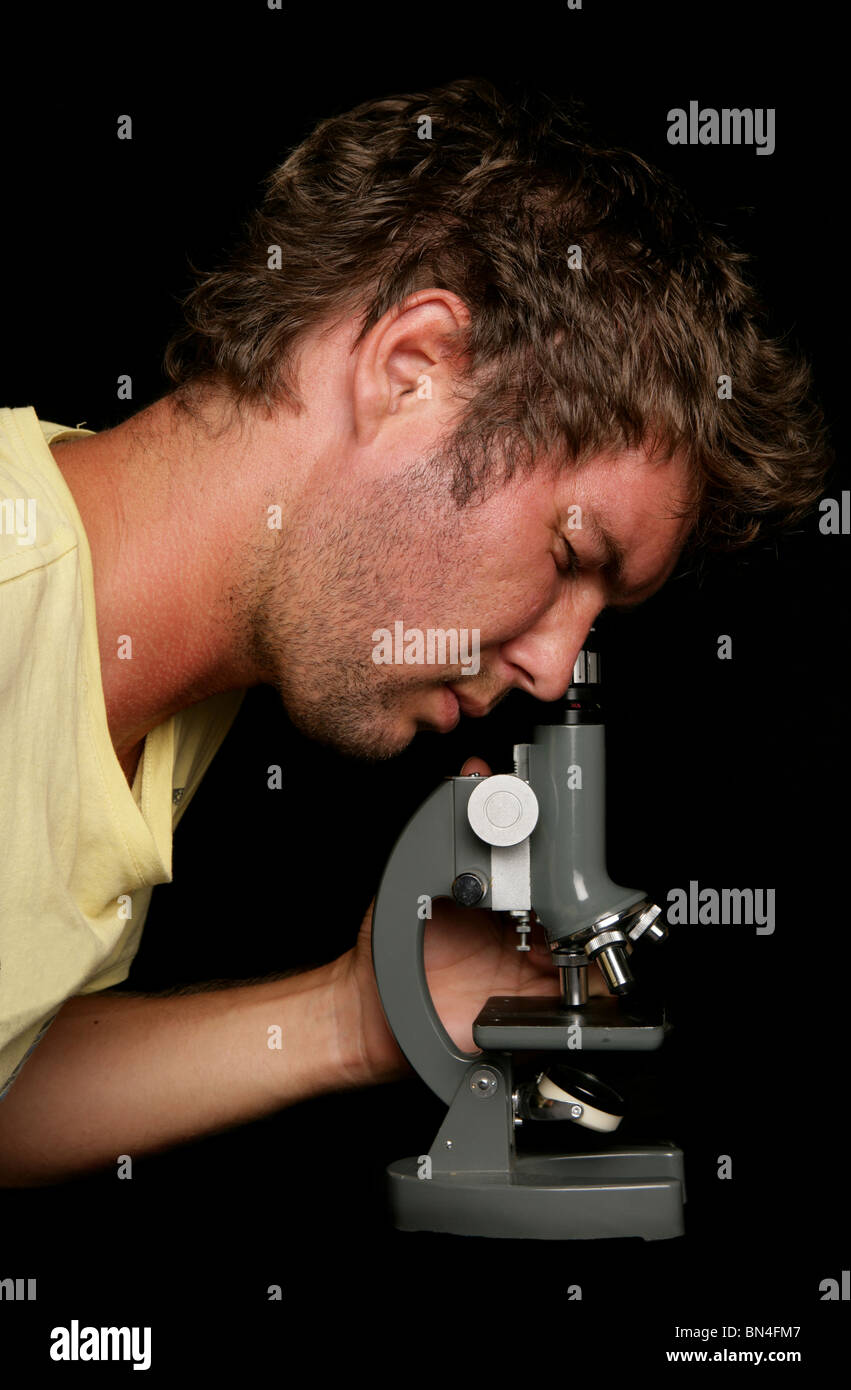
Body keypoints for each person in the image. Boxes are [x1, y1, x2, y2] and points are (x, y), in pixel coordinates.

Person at [0, 78, 830, 1185]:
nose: (549, 664)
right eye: (573, 557)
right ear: (414, 370)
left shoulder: (150, 680)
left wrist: (359, 1014)